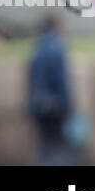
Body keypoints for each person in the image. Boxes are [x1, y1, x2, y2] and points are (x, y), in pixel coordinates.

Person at [27, 17, 74, 165]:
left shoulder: (36, 49)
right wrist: (68, 107)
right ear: (55, 29)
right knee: (59, 149)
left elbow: (31, 82)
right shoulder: (56, 50)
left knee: (44, 146)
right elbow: (62, 83)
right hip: (55, 107)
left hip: (37, 106)